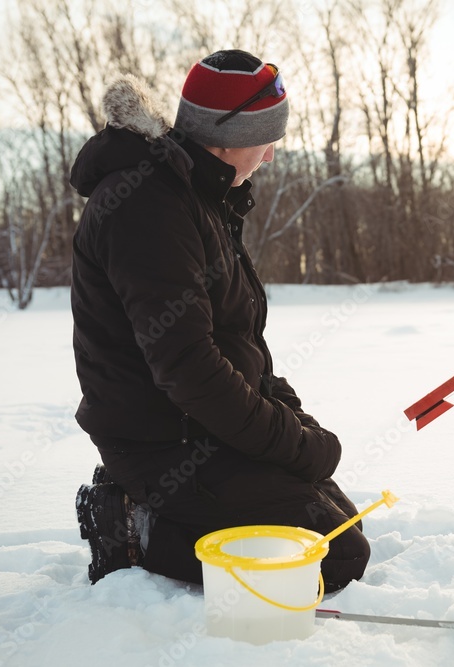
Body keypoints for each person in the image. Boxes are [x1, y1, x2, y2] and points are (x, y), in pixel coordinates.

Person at [69, 50, 370, 591]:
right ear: (228, 136)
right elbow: (190, 369)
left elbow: (237, 340)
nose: (272, 155)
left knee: (336, 515)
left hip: (197, 428)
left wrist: (294, 421)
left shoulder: (199, 196)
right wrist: (293, 446)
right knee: (333, 554)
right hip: (159, 441)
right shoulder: (147, 206)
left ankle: (158, 507)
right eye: (267, 136)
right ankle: (129, 527)